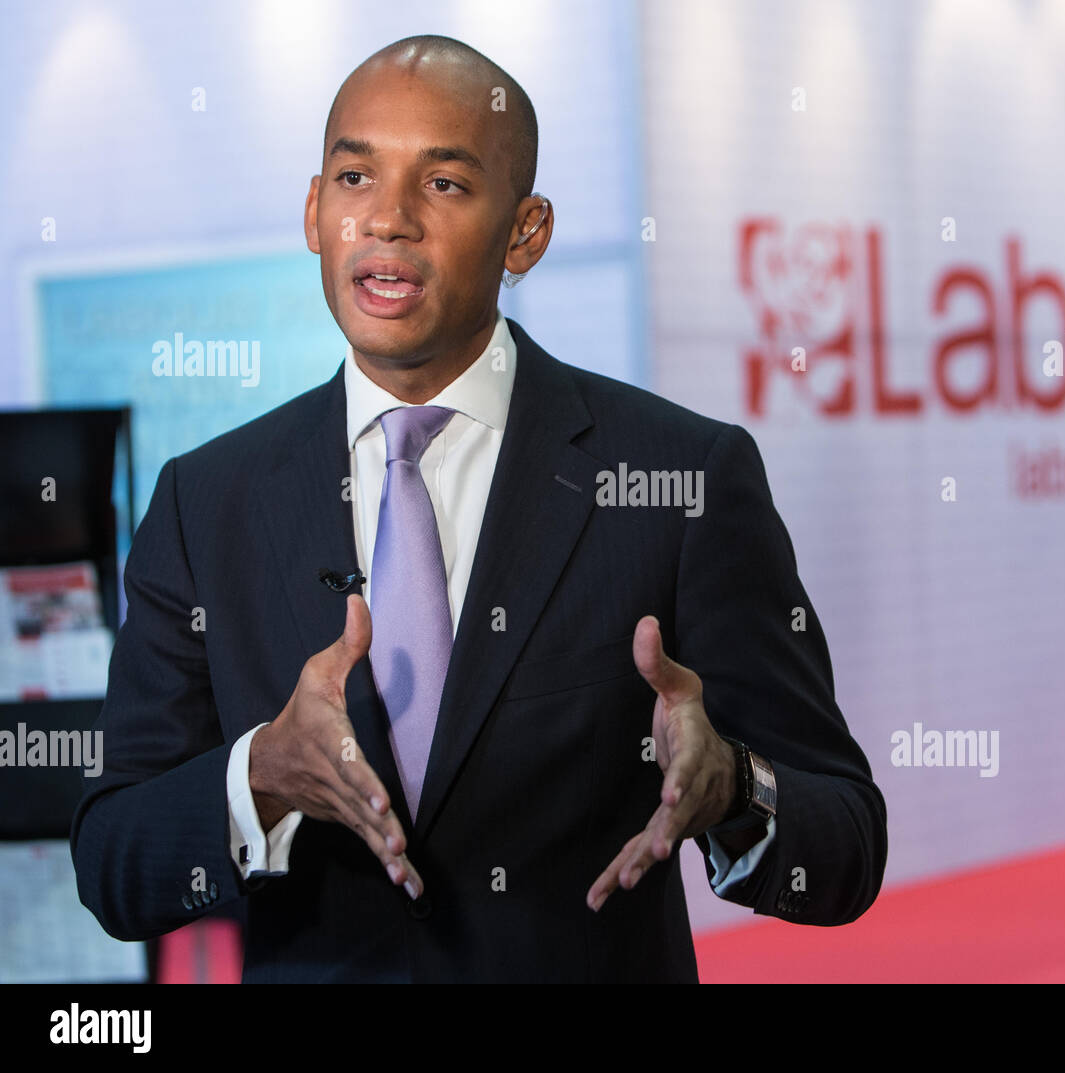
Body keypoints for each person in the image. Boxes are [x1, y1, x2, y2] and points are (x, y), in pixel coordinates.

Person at [70, 34, 887, 983]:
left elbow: (847, 849)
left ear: (525, 232)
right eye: (353, 177)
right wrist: (260, 775)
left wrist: (737, 788)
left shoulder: (682, 476)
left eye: (444, 184)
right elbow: (111, 862)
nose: (388, 220)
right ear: (312, 210)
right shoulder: (204, 501)